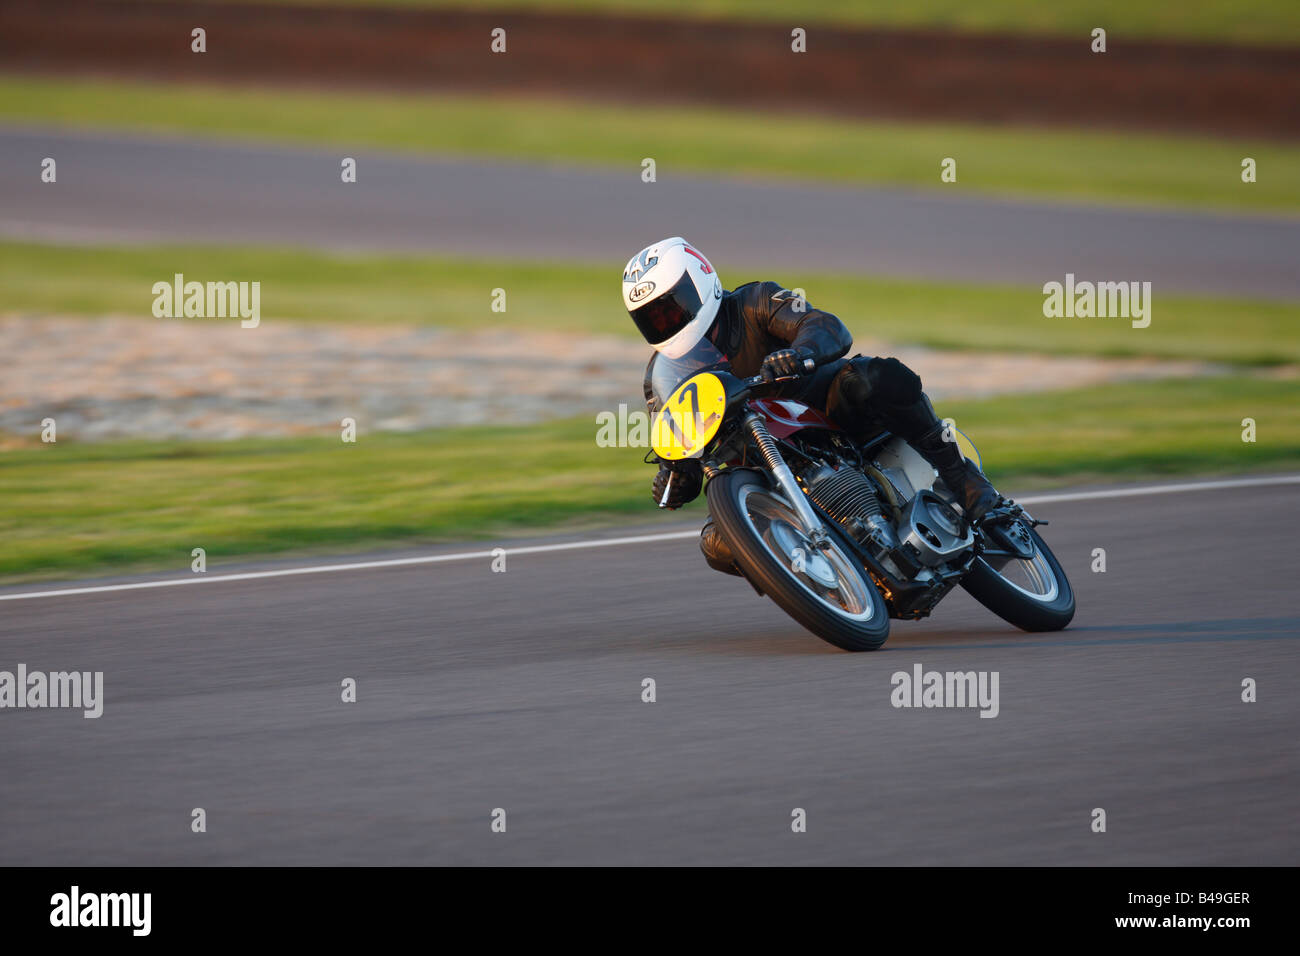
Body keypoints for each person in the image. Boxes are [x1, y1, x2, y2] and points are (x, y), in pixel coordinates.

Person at [624, 236, 1003, 576]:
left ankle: (964, 480)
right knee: (716, 544)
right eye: (652, 318)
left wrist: (799, 352)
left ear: (701, 277)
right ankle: (823, 581)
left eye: (672, 308)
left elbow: (826, 325)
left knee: (878, 377)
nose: (666, 322)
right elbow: (681, 446)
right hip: (761, 462)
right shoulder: (662, 379)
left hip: (827, 408)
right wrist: (673, 478)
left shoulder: (755, 301)